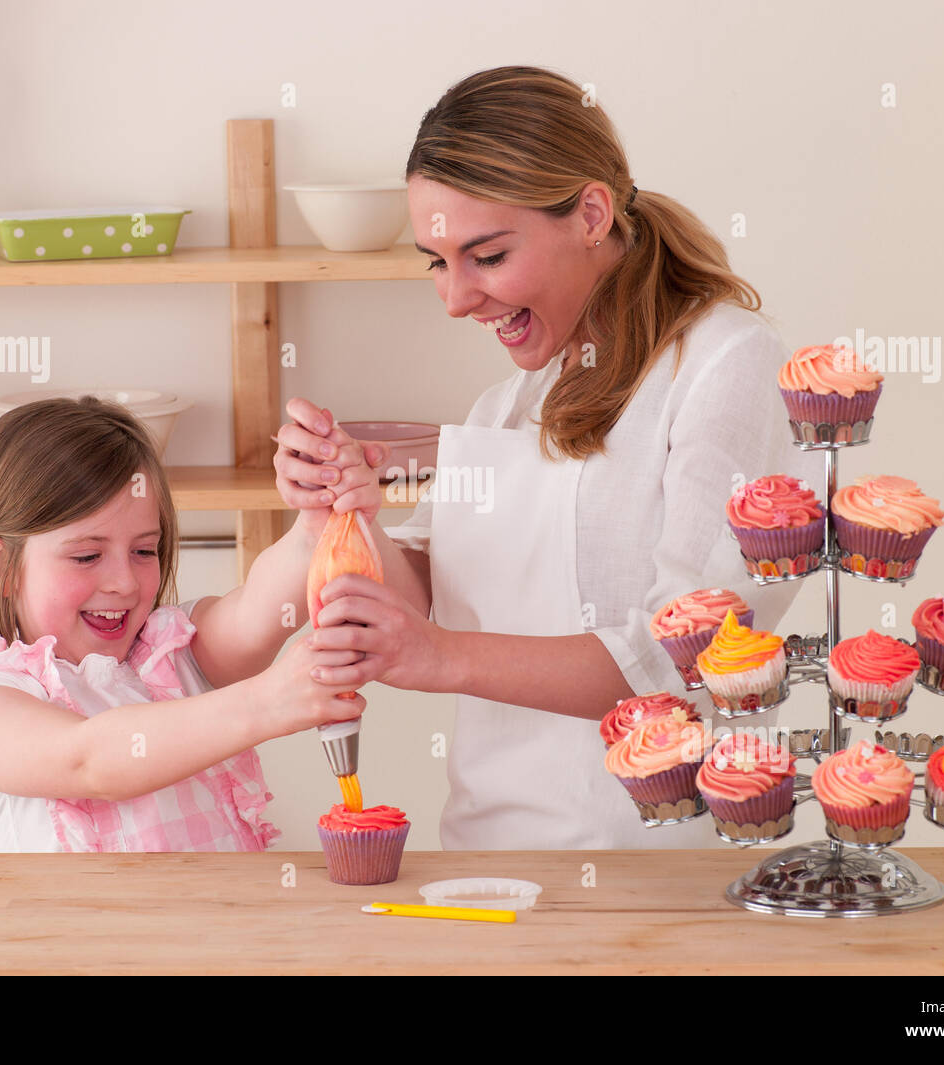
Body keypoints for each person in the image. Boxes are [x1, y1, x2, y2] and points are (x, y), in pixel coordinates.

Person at [274, 65, 821, 849]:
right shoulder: (509, 405)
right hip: (487, 852)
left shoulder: (724, 364)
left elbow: (688, 660)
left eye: (486, 255)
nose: (456, 299)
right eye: (437, 260)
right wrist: (348, 511)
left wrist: (441, 658)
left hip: (657, 865)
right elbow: (425, 587)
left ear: (591, 213)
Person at [0, 396, 383, 852]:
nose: (124, 582)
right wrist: (265, 703)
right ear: (1, 563)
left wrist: (321, 516)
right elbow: (89, 761)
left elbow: (260, 609)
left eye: (144, 550)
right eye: (87, 556)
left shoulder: (175, 654)